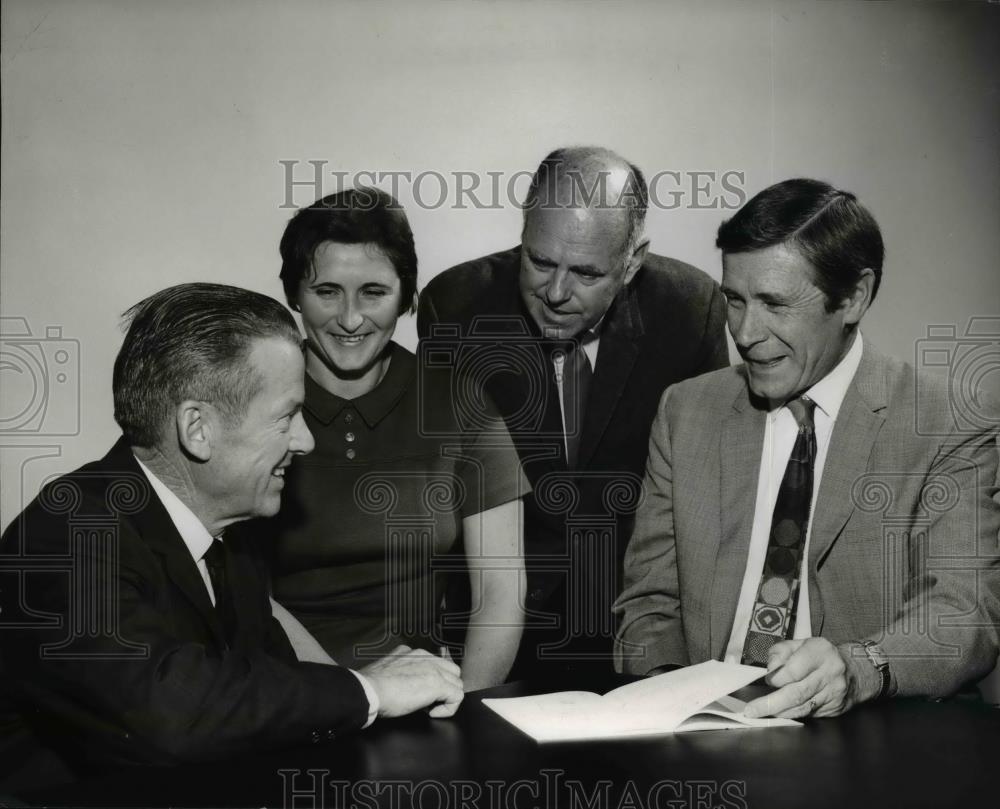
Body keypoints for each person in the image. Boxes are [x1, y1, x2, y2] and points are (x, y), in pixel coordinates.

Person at [0, 283, 463, 785]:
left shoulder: (231, 532)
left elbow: (264, 687)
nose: (305, 440)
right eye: (286, 416)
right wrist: (369, 690)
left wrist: (370, 685)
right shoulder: (64, 536)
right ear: (197, 428)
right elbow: (168, 713)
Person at [614, 178, 1000, 717]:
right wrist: (676, 707)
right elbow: (648, 602)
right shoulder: (686, 411)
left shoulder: (947, 425)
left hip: (869, 739)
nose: (746, 333)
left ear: (854, 298)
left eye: (775, 303)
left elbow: (965, 616)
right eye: (735, 300)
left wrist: (859, 667)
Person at [417, 146, 728, 679]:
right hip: (489, 636)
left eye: (586, 273)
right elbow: (444, 484)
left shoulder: (691, 310)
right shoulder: (456, 307)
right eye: (538, 261)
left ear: (633, 262)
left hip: (634, 631)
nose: (556, 293)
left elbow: (704, 493)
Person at [257, 188, 526, 690]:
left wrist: (463, 708)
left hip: (424, 691)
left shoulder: (461, 402)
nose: (351, 319)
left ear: (406, 295)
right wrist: (357, 697)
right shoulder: (253, 400)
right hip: (286, 692)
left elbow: (501, 589)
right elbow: (243, 596)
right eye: (327, 291)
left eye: (374, 292)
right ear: (294, 293)